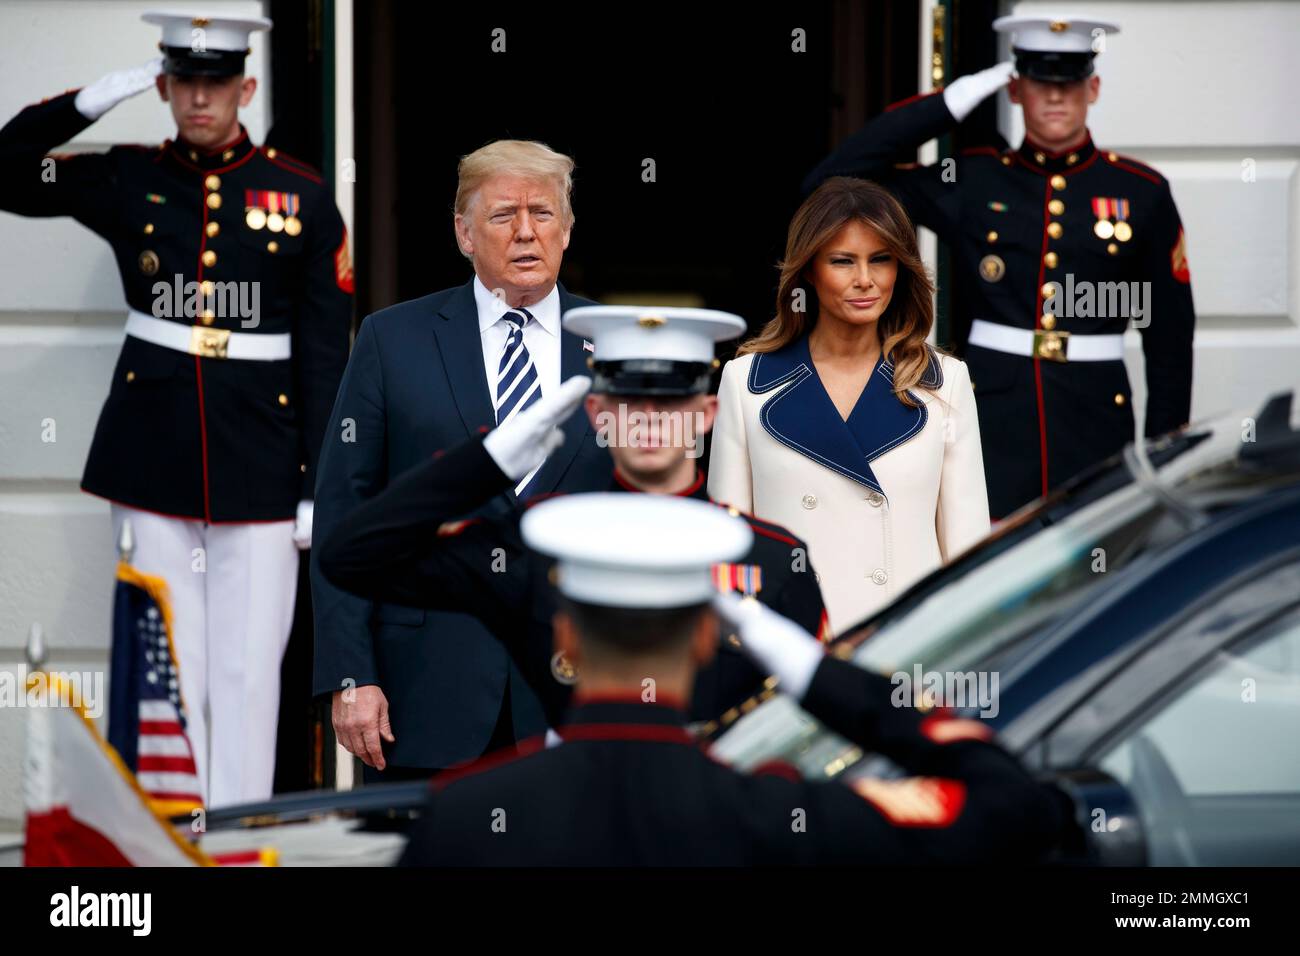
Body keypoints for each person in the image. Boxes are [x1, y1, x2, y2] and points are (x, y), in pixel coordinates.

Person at [0, 11, 353, 806]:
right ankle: (169, 846)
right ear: (164, 87)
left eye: (216, 82)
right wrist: (85, 103)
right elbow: (7, 169)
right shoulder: (129, 178)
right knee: (169, 671)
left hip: (264, 464)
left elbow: (327, 353)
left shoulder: (300, 196)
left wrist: (316, 485)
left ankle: (230, 840)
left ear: (245, 88)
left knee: (247, 673)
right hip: (151, 457)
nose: (200, 98)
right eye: (184, 82)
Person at [395, 493, 1064, 866]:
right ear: (708, 636)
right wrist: (810, 668)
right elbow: (1010, 808)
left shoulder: (464, 819)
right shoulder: (779, 817)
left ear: (565, 635)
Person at [318, 306, 829, 730]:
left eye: (671, 401)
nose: (648, 418)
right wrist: (484, 463)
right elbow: (351, 557)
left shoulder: (772, 556)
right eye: (628, 401)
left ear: (707, 414)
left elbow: (811, 725)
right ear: (596, 414)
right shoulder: (543, 542)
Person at [801, 14, 1195, 520]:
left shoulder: (1141, 192)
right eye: (1038, 82)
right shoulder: (975, 180)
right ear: (1014, 91)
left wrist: (1163, 458)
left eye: (1069, 82)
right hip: (990, 415)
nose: (1055, 97)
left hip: (1096, 416)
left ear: (1092, 88)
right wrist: (951, 102)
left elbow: (1170, 338)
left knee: (1101, 558)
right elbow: (829, 184)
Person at [310, 140, 610, 781]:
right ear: (464, 232)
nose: (526, 232)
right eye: (504, 215)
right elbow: (344, 509)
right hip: (423, 691)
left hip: (580, 691)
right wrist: (349, 673)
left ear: (568, 228)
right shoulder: (391, 339)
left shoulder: (618, 345)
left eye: (544, 213)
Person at [708, 178, 989, 634]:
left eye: (881, 260)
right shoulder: (745, 382)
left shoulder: (945, 383)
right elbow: (730, 551)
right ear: (808, 271)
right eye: (843, 261)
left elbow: (967, 554)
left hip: (906, 646)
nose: (866, 279)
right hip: (791, 651)